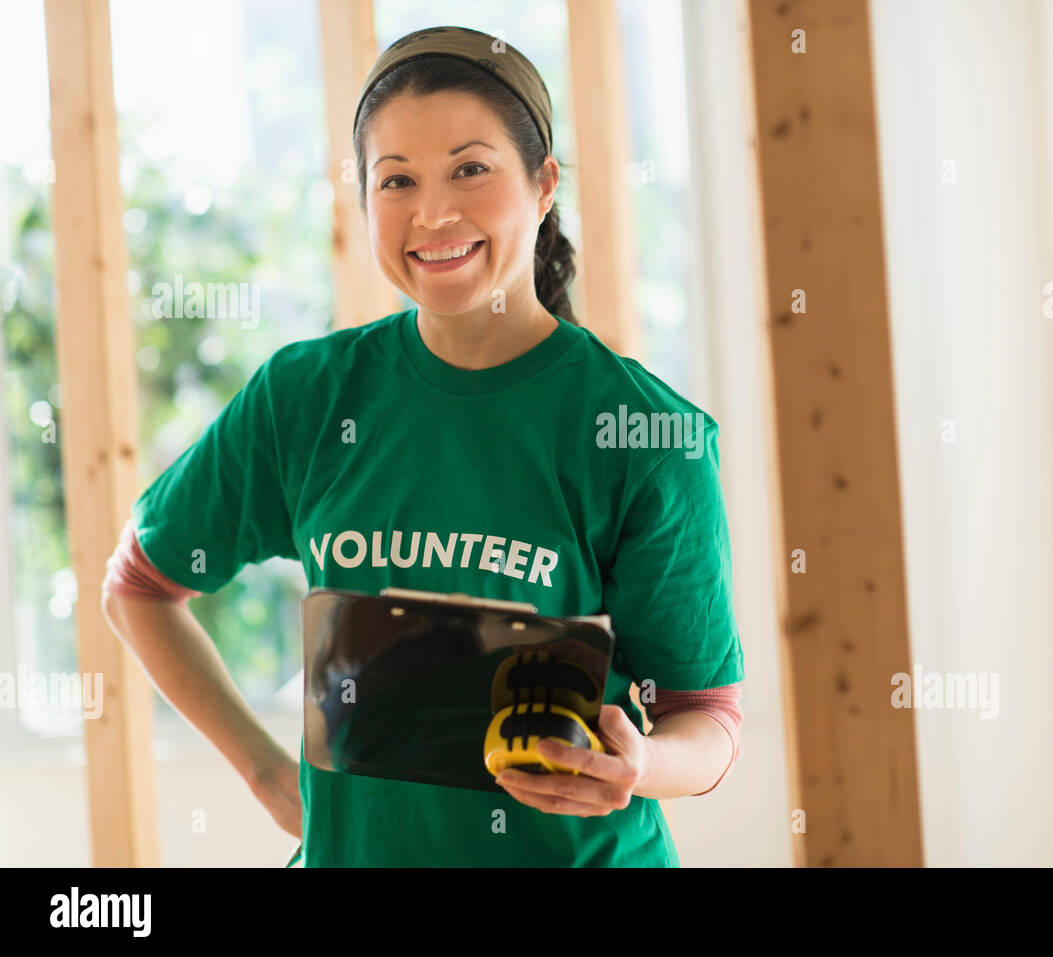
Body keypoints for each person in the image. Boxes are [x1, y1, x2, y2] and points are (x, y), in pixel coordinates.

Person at [102, 25, 744, 867]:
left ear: (544, 184)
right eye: (396, 179)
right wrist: (266, 774)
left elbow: (708, 713)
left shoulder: (646, 436)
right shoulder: (307, 397)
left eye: (470, 169)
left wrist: (643, 763)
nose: (433, 212)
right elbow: (140, 585)